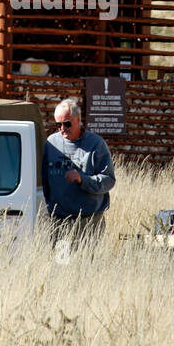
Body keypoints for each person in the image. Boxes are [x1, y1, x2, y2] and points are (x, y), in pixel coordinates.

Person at [42, 98, 115, 244]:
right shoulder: (51, 143)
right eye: (58, 124)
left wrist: (82, 179)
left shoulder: (96, 144)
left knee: (89, 265)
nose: (62, 128)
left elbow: (109, 181)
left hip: (89, 222)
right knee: (61, 264)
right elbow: (44, 179)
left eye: (67, 123)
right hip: (60, 222)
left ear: (78, 119)